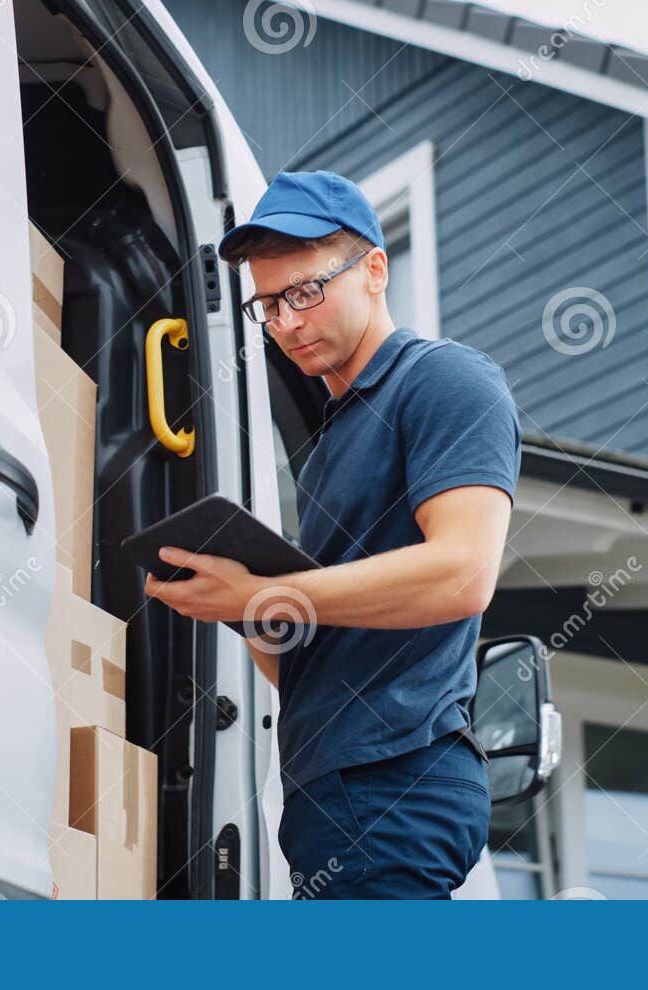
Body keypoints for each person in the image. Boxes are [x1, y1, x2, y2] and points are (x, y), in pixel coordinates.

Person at [141, 169, 521, 899]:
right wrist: (244, 605)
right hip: (334, 794)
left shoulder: (445, 381)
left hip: (397, 779)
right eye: (268, 304)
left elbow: (464, 573)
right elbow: (312, 663)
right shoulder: (325, 451)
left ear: (375, 270)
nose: (285, 322)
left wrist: (270, 588)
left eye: (305, 292)